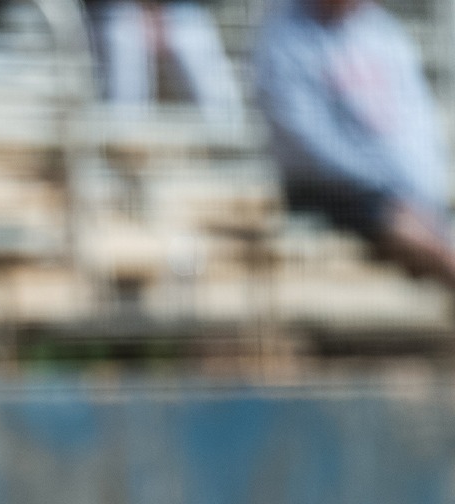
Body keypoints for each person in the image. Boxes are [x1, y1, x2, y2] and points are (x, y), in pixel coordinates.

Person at [253, 0, 455, 293]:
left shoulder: (382, 29)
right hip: (331, 192)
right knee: (430, 244)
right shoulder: (283, 33)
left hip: (405, 191)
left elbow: (418, 125)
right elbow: (304, 141)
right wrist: (387, 187)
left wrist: (417, 189)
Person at [90, 0, 247, 133]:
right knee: (123, 36)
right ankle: (123, 141)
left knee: (192, 34)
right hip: (118, 10)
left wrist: (159, 11)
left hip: (183, 10)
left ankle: (230, 138)